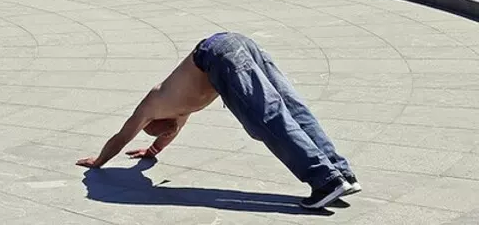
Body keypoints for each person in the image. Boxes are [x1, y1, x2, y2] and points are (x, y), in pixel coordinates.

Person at [74, 32, 360, 210]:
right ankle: (341, 173)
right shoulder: (177, 110)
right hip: (235, 42)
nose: (166, 133)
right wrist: (151, 153)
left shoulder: (152, 104)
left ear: (152, 122)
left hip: (218, 53)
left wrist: (98, 162)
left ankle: (325, 180)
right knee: (292, 108)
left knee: (267, 118)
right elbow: (166, 137)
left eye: (156, 131)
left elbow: (122, 136)